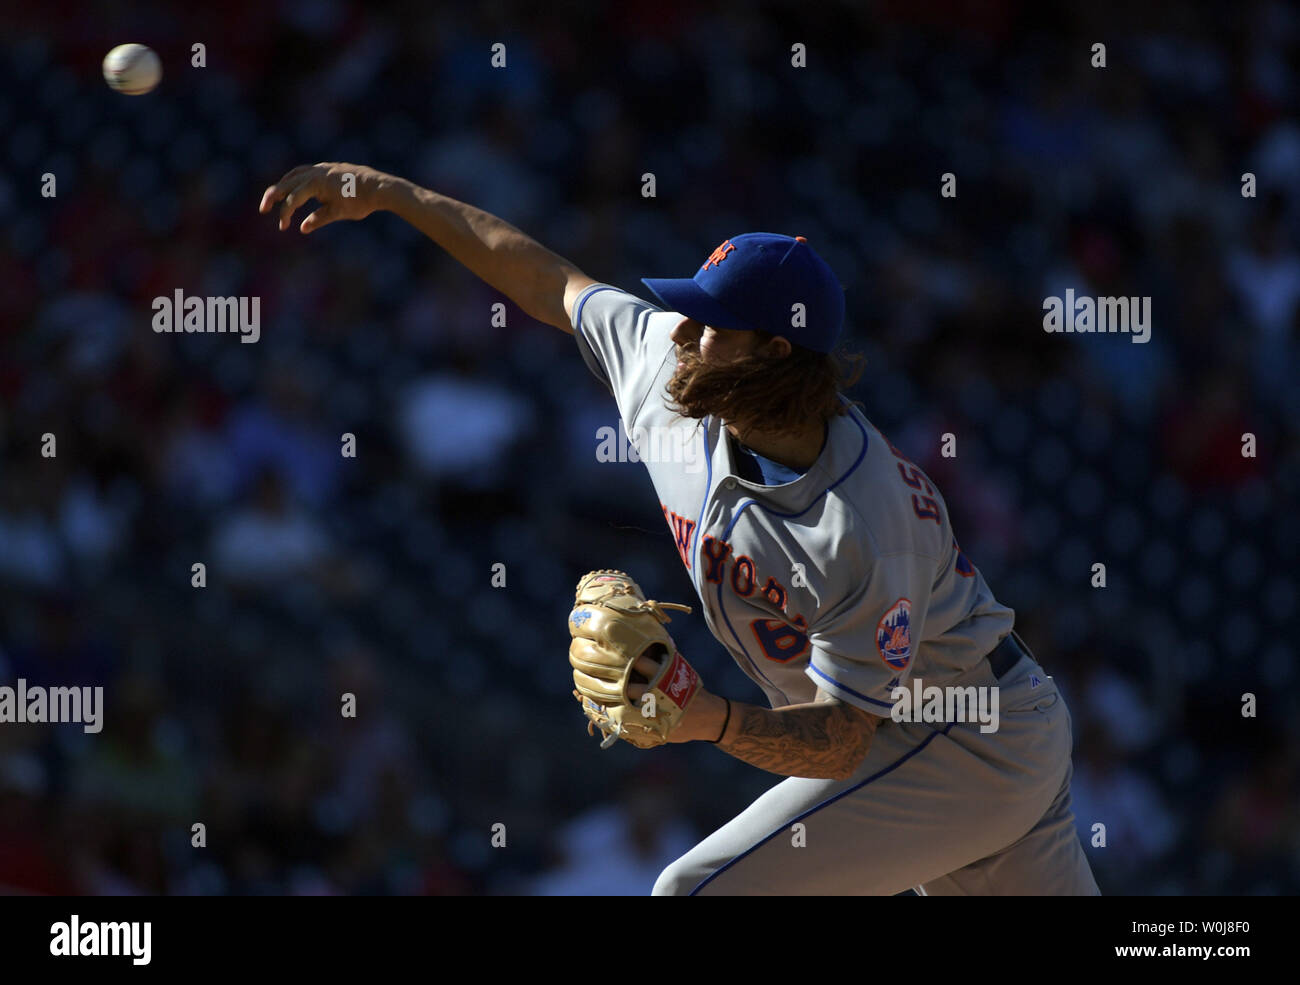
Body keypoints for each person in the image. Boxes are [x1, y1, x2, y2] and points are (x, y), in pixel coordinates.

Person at [260, 163, 1100, 896]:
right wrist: (393, 195)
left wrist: (710, 720)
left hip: (965, 735)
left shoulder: (860, 521)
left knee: (694, 890)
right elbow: (549, 281)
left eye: (710, 326)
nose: (683, 335)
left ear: (774, 352)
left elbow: (844, 742)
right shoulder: (675, 368)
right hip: (947, 736)